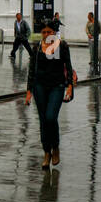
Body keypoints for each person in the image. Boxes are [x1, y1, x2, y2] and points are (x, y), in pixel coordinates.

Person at [26, 26, 74, 170]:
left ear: (54, 33)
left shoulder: (62, 46)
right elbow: (32, 69)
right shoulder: (37, 47)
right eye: (44, 32)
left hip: (57, 86)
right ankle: (47, 152)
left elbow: (69, 66)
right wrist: (29, 91)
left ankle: (56, 147)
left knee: (51, 117)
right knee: (43, 120)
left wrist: (70, 86)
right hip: (40, 86)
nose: (46, 35)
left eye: (49, 32)